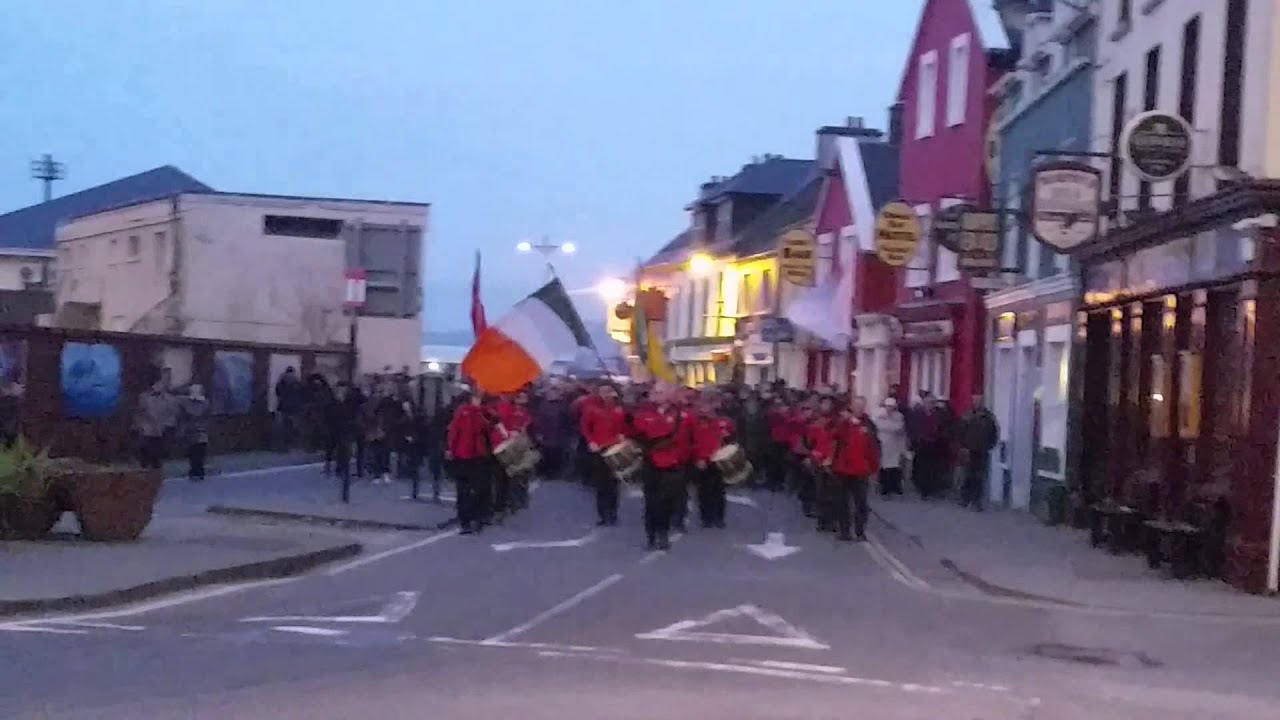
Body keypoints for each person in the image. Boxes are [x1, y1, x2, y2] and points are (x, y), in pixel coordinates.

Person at [631, 384, 689, 550]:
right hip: (651, 461)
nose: (656, 395)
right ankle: (651, 535)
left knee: (667, 501)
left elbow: (686, 438)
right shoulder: (643, 413)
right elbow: (640, 432)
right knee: (651, 501)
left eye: (661, 392)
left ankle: (663, 532)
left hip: (672, 463)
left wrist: (681, 457)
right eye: (655, 392)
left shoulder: (680, 415)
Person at [831, 397, 881, 541]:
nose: (859, 408)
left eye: (861, 406)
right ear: (851, 407)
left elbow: (874, 447)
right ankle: (844, 531)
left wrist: (874, 467)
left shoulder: (869, 425)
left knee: (861, 503)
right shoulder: (843, 423)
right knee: (842, 502)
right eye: (856, 405)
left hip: (861, 470)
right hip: (843, 469)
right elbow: (833, 437)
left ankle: (860, 531)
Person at [446, 390, 494, 535]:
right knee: (469, 489)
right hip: (470, 455)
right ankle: (470, 519)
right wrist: (451, 449)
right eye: (476, 398)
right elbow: (455, 431)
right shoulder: (469, 412)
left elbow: (488, 428)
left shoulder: (480, 413)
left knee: (471, 489)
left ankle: (470, 519)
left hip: (472, 454)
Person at [581, 384, 627, 526]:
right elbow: (585, 428)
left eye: (608, 391)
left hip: (615, 448)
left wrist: (623, 435)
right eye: (603, 392)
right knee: (601, 483)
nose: (606, 394)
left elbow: (625, 426)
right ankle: (602, 514)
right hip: (599, 449)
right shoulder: (592, 409)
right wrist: (591, 441)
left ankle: (613, 512)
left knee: (614, 482)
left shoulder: (619, 409)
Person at [691, 394, 733, 529]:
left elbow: (731, 441)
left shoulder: (724, 422)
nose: (707, 408)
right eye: (705, 404)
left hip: (720, 459)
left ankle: (719, 517)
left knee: (719, 489)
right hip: (703, 460)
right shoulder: (696, 422)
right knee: (703, 490)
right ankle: (706, 517)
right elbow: (693, 441)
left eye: (711, 404)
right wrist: (698, 458)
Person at [958, 394, 1000, 511]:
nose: (977, 402)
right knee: (967, 475)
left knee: (979, 477)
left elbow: (994, 433)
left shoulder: (988, 417)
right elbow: (960, 431)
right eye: (975, 400)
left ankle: (977, 500)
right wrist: (962, 446)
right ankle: (965, 498)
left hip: (982, 451)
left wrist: (990, 446)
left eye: (979, 400)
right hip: (968, 450)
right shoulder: (967, 416)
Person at [135, 376, 175, 469]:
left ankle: (155, 469)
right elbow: (139, 412)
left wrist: (168, 424)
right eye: (158, 384)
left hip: (161, 428)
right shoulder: (144, 397)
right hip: (147, 428)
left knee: (157, 453)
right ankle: (145, 467)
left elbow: (171, 413)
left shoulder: (168, 398)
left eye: (161, 384)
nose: (160, 386)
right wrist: (139, 425)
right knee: (146, 449)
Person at [873, 396, 907, 496]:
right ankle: (884, 487)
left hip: (895, 444)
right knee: (884, 466)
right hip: (883, 443)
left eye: (891, 407)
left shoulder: (899, 416)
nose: (889, 409)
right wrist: (891, 427)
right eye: (888, 406)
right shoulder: (878, 414)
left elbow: (900, 427)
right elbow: (878, 425)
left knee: (895, 466)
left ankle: (894, 486)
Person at [179, 384, 211, 481]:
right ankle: (195, 470)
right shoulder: (185, 403)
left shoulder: (205, 404)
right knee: (193, 452)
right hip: (191, 433)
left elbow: (204, 417)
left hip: (200, 432)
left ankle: (198, 470)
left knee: (199, 452)